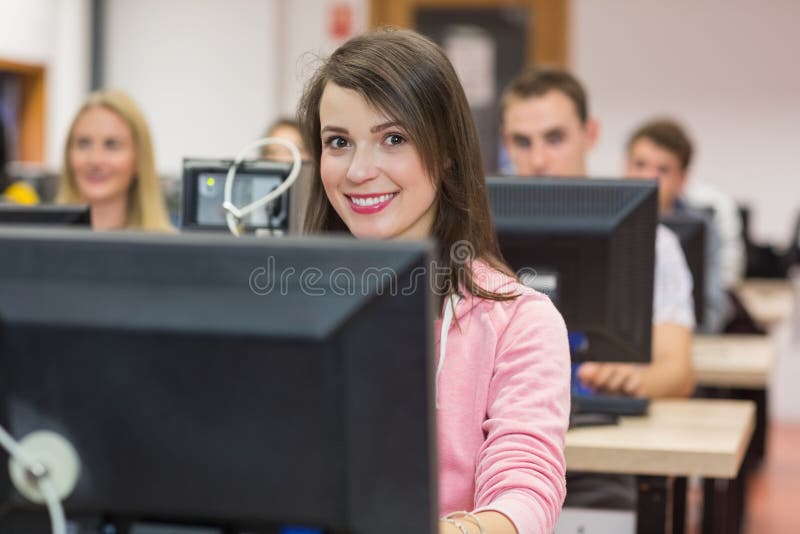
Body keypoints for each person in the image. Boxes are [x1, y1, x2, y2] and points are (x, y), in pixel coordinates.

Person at [298, 28, 570, 534]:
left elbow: (526, 489)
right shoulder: (289, 304)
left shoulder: (520, 321)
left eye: (393, 139)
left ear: (444, 151)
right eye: (338, 142)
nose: (359, 170)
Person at [501, 67, 695, 399]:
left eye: (554, 138)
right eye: (522, 142)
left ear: (589, 134)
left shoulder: (652, 244)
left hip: (605, 429)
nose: (537, 159)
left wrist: (631, 381)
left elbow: (678, 372)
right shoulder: (475, 239)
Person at [625, 118, 735, 333]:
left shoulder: (700, 229)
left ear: (682, 179)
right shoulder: (603, 221)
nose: (648, 178)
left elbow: (712, 307)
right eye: (639, 165)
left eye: (663, 170)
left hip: (680, 342)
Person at [56, 89, 172, 231]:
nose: (95, 160)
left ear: (140, 159)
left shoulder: (167, 249)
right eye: (84, 143)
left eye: (112, 145)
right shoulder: (39, 244)